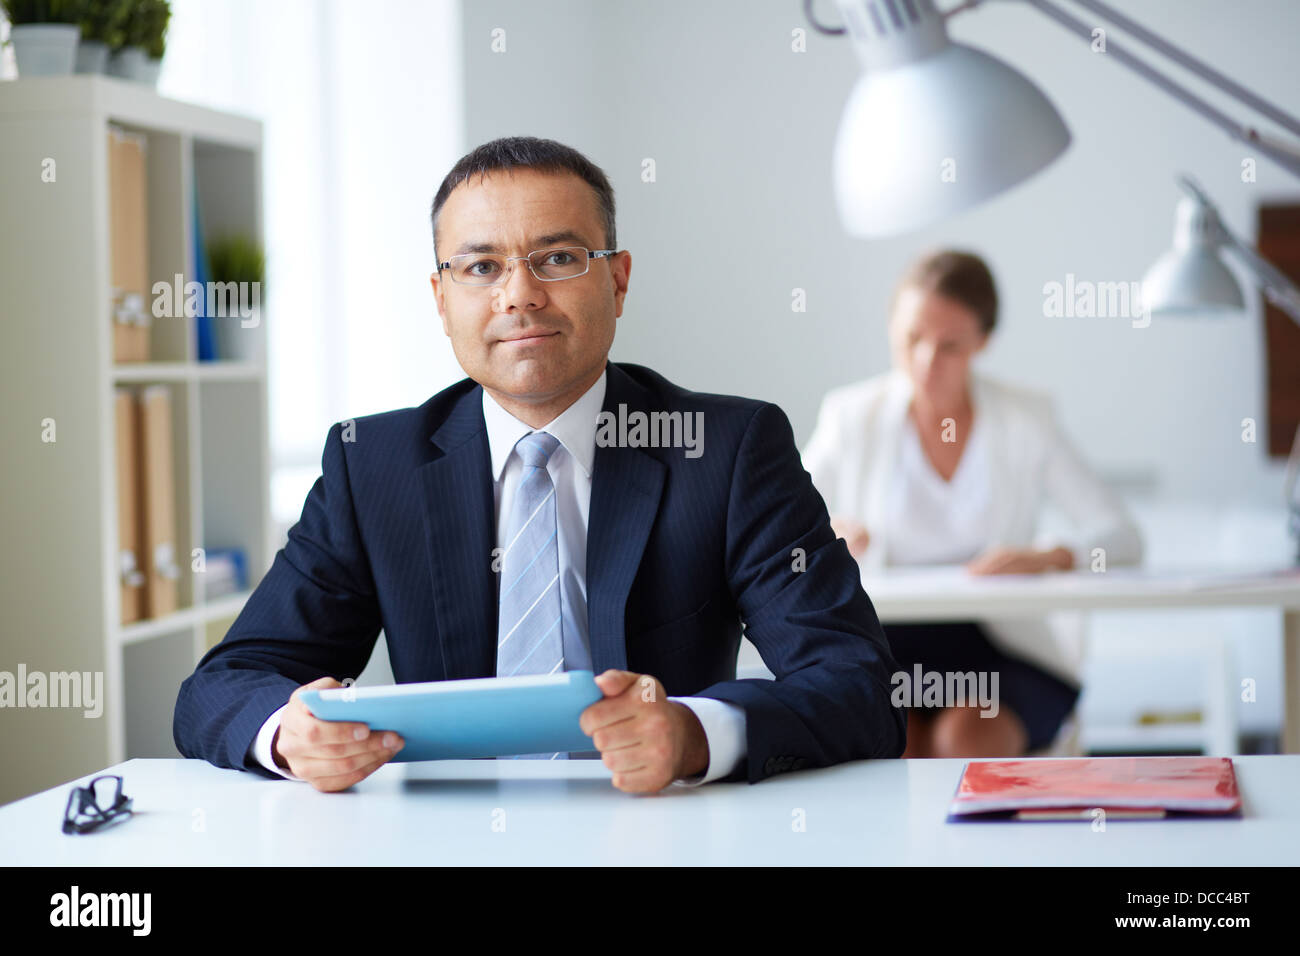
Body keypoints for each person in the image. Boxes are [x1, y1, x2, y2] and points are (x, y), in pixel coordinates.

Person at [173, 136, 905, 793]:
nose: (518, 294)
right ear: (441, 298)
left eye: (557, 259)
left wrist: (696, 733)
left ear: (617, 281)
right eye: (481, 266)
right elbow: (222, 686)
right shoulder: (373, 467)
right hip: (443, 845)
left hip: (663, 834)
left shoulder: (727, 447)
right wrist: (288, 733)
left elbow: (857, 684)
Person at [801, 250, 1142, 759]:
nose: (926, 362)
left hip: (999, 645)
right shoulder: (851, 417)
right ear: (891, 327)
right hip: (884, 643)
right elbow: (782, 530)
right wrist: (830, 535)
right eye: (912, 339)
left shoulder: (1027, 417)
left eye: (949, 346)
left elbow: (1123, 535)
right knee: (900, 743)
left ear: (983, 341)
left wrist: (1048, 556)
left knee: (965, 738)